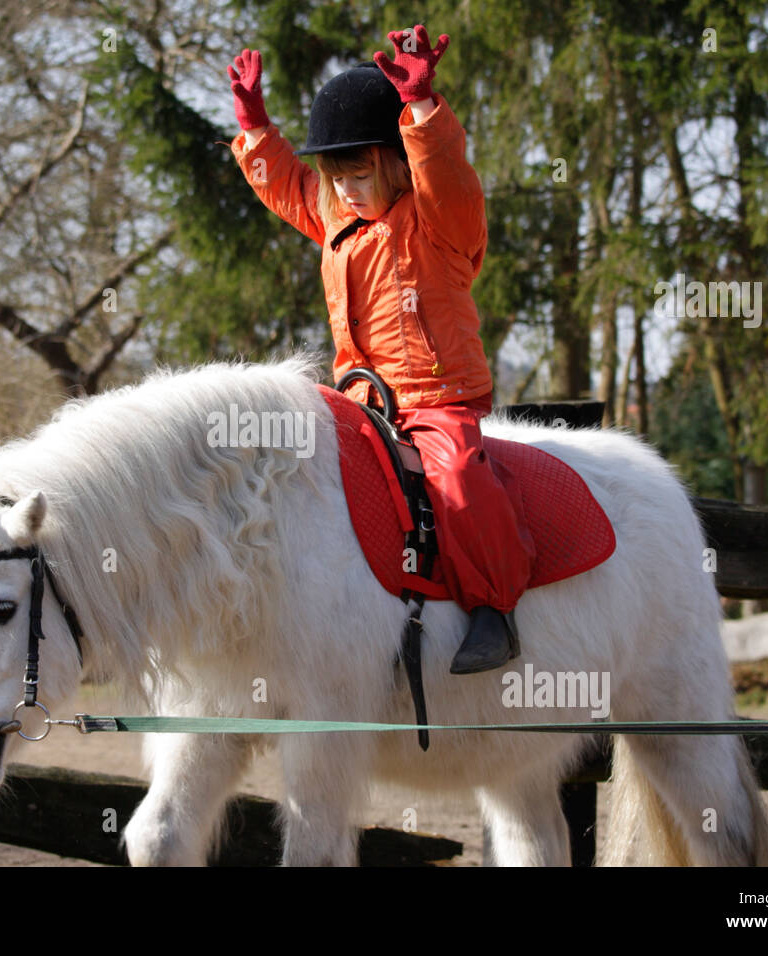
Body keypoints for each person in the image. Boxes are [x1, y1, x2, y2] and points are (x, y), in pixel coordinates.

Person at [228, 25, 535, 673]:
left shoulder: (442, 218)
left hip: (435, 396)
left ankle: (493, 610)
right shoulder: (337, 216)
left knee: (455, 475)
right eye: (334, 178)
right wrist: (255, 126)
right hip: (361, 400)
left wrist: (421, 110)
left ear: (396, 162)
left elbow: (443, 169)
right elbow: (285, 182)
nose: (343, 191)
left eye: (358, 174)